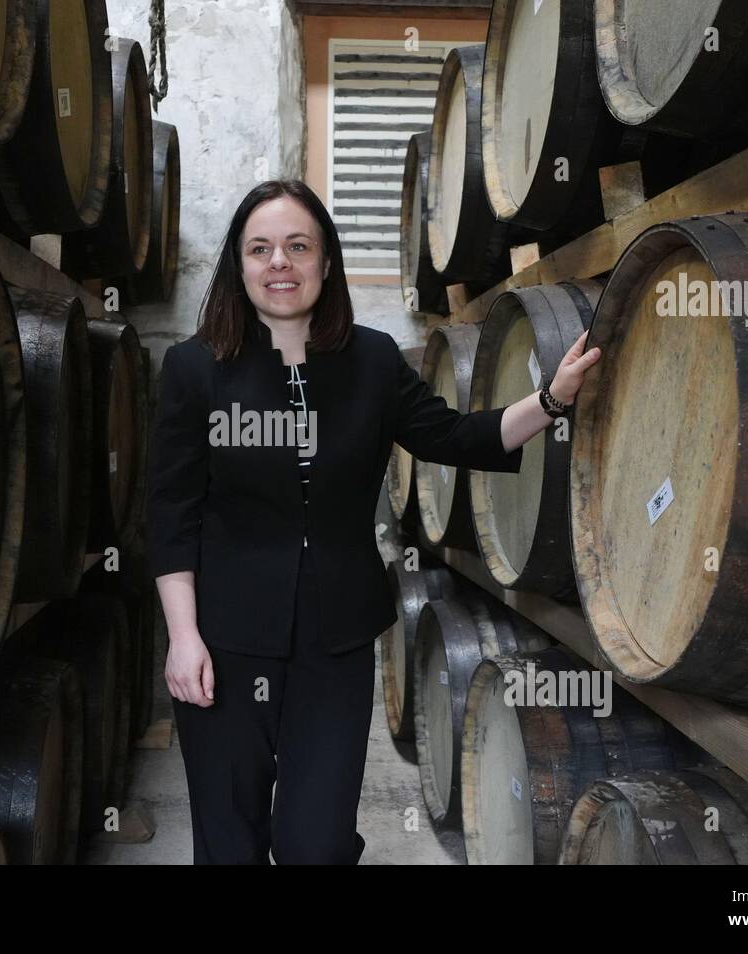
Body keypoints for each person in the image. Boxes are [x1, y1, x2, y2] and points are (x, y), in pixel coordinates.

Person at [144, 179, 601, 864]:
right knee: (229, 841)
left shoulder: (372, 361)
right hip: (225, 639)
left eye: (298, 246)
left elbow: (454, 437)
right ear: (238, 267)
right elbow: (170, 513)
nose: (279, 263)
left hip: (338, 640)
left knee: (316, 843)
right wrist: (182, 638)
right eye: (260, 248)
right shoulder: (194, 369)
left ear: (326, 263)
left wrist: (551, 399)